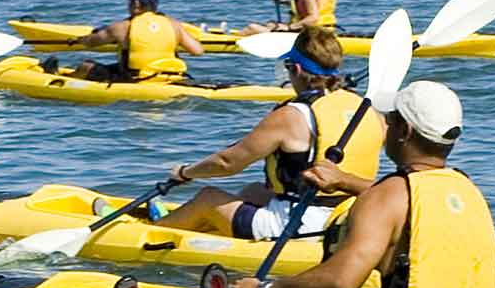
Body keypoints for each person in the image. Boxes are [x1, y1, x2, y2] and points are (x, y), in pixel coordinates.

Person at [214, 81, 495, 288]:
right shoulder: (466, 190)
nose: (385, 130)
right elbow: (407, 200)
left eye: (389, 122)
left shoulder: (387, 196)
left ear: (404, 130)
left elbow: (339, 282)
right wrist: (344, 182)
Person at [159, 26, 383, 242]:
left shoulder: (291, 116)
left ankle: (153, 232)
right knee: (254, 191)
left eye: (287, 66)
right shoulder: (366, 109)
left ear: (295, 69)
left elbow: (227, 163)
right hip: (347, 217)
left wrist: (185, 173)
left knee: (207, 198)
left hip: (300, 225)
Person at [69, 0, 204, 82]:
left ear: (137, 4)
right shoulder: (173, 24)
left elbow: (90, 43)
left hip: (137, 79)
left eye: (130, 0)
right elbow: (197, 50)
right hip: (171, 75)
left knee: (85, 66)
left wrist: (78, 40)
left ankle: (62, 81)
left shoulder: (121, 28)